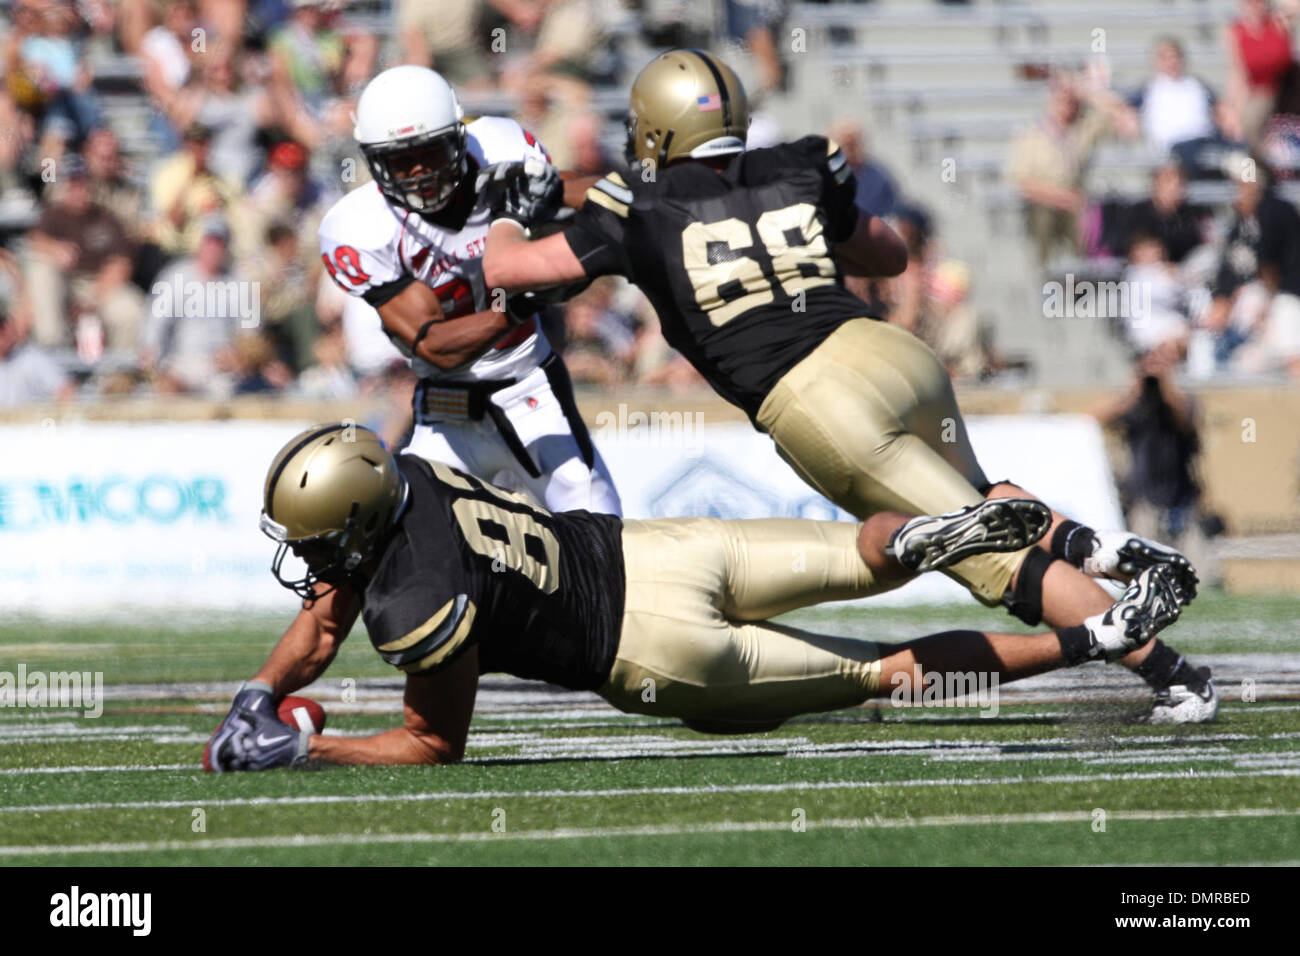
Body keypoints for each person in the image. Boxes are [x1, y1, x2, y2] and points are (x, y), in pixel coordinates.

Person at [482, 49, 1217, 723]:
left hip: (816, 398)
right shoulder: (797, 163)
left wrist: (504, 219)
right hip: (891, 353)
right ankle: (1106, 549)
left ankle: (1173, 674)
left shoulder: (634, 200)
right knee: (990, 504)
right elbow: (890, 255)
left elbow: (512, 272)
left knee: (1003, 562)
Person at [203, 424, 1193, 770]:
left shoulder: (411, 596)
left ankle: (1100, 635)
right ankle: (946, 534)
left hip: (650, 647)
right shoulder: (409, 471)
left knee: (883, 674)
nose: (312, 559)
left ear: (356, 520)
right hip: (661, 549)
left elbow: (431, 742)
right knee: (863, 552)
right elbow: (324, 609)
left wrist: (301, 743)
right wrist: (260, 688)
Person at [316, 65, 621, 514]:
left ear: (458, 139)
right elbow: (434, 345)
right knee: (415, 563)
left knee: (601, 538)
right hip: (443, 412)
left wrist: (560, 196)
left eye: (430, 153)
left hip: (530, 389)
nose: (419, 173)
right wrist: (518, 305)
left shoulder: (502, 149)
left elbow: (603, 198)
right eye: (401, 160)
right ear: (374, 160)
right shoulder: (358, 229)